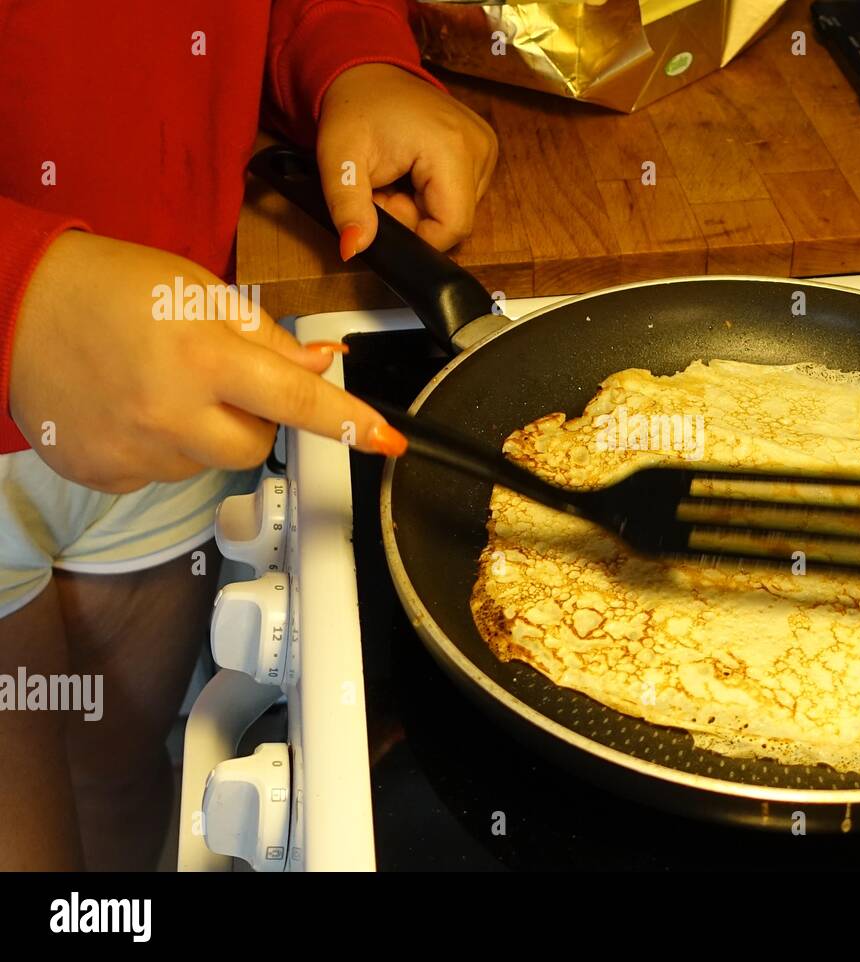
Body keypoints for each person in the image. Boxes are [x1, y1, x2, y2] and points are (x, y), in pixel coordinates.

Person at [0, 0, 497, 869]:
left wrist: (349, 46)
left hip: (173, 376)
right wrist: (15, 290)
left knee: (119, 774)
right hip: (72, 342)